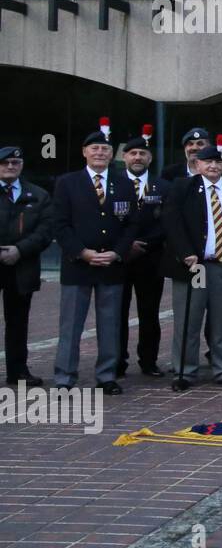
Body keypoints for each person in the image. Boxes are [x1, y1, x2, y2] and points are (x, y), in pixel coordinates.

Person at [51, 119, 139, 393]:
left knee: (110, 324)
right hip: (78, 265)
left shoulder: (123, 184)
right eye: (94, 148)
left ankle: (107, 376)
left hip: (111, 265)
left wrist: (117, 252)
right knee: (71, 326)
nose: (100, 153)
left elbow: (132, 224)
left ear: (112, 154)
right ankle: (65, 377)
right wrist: (82, 252)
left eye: (105, 149)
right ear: (84, 152)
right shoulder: (67, 183)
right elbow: (60, 224)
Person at [162, 142, 222, 389]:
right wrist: (185, 253)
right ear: (197, 164)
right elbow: (172, 222)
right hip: (197, 266)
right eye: (207, 162)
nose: (213, 166)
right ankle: (184, 372)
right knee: (189, 319)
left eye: (217, 162)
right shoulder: (184, 188)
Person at [0, 144, 55, 386]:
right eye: (4, 163)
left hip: (22, 266)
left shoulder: (39, 195)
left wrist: (20, 250)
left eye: (15, 163)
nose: (10, 167)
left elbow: (46, 230)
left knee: (18, 322)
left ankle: (17, 370)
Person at [116, 127, 168, 378]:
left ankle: (149, 361)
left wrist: (144, 244)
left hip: (151, 258)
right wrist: (125, 246)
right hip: (119, 258)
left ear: (150, 158)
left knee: (149, 314)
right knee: (117, 313)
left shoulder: (163, 186)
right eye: (133, 153)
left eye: (142, 153)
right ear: (124, 157)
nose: (138, 157)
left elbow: (167, 222)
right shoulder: (113, 184)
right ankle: (117, 361)